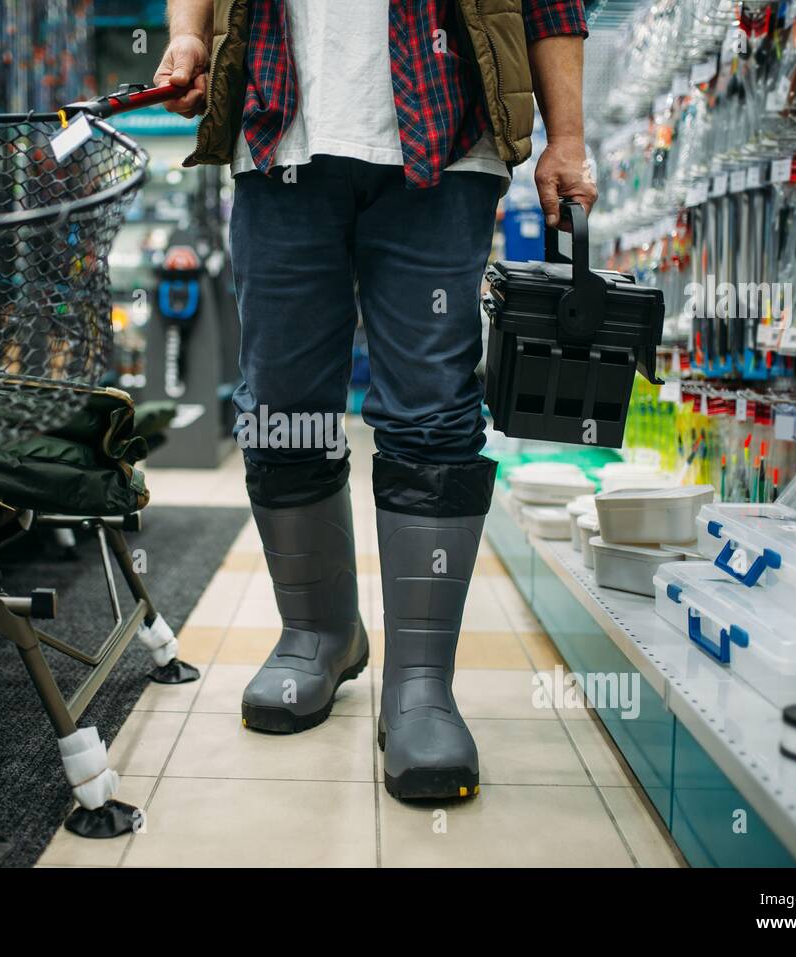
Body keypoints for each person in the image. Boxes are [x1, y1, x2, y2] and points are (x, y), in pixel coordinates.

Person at [154, 0, 596, 801]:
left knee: (431, 409)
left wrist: (566, 137)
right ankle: (317, 633)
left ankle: (422, 680)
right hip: (278, 129)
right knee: (281, 405)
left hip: (444, 134)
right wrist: (188, 34)